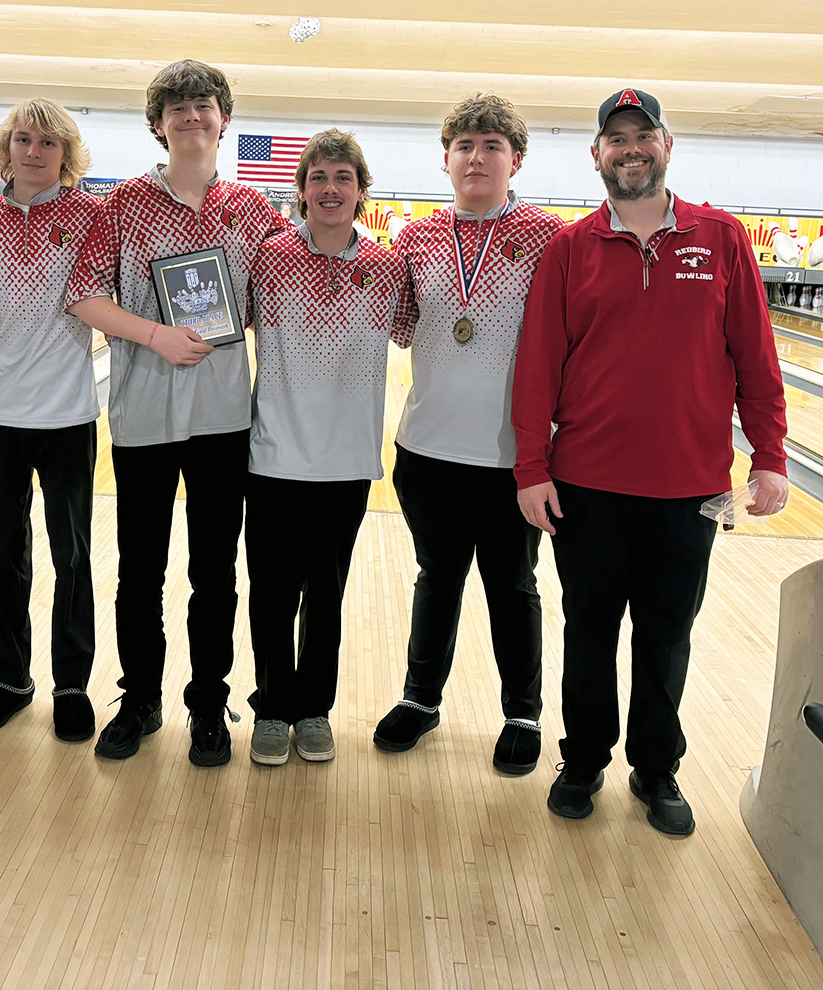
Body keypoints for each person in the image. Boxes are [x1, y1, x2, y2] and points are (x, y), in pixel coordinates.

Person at [513, 87, 789, 835]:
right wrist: (531, 467)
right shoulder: (570, 249)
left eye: (643, 135)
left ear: (667, 146)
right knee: (590, 628)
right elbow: (538, 364)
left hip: (690, 487)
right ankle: (584, 758)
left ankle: (656, 766)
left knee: (667, 633)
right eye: (616, 138)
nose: (630, 148)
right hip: (586, 484)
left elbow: (756, 359)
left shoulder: (722, 236)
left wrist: (770, 456)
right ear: (596, 155)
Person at [66, 59, 285, 766]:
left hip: (222, 418)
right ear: (158, 123)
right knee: (141, 570)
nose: (192, 116)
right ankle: (140, 698)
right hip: (144, 414)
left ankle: (208, 700)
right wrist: (155, 332)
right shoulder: (125, 202)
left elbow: (272, 299)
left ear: (224, 119)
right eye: (178, 107)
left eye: (204, 105)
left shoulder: (252, 209)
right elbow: (84, 295)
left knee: (215, 572)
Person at [372, 94, 566, 774]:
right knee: (438, 577)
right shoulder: (416, 238)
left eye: (491, 146)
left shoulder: (549, 236)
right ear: (447, 158)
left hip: (516, 457)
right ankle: (421, 699)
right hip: (427, 449)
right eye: (464, 145)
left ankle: (523, 711)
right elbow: (396, 325)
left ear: (516, 159)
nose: (476, 158)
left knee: (512, 584)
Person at [245, 130, 416, 766]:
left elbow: (417, 334)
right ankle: (271, 706)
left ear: (361, 193)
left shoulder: (388, 267)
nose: (330, 189)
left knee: (327, 592)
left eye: (342, 178)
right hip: (274, 456)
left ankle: (314, 708)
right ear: (302, 190)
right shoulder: (268, 256)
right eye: (318, 177)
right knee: (271, 593)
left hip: (346, 461)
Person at [0, 99, 102, 740]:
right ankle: (11, 679)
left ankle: (71, 683)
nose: (34, 151)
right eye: (23, 139)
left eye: (49, 142)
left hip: (69, 411)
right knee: (7, 550)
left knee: (72, 555)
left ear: (66, 154)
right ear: (6, 148)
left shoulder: (92, 216)